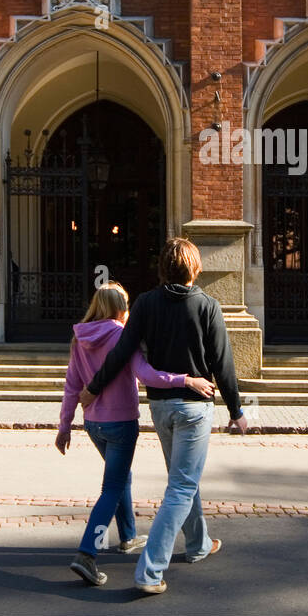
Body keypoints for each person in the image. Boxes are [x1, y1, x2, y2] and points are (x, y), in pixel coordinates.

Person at [81, 237, 246, 595]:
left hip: (160, 406)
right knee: (182, 485)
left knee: (183, 477)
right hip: (194, 407)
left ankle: (199, 543)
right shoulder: (208, 306)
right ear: (195, 267)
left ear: (162, 268)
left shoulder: (145, 303)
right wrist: (236, 411)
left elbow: (123, 350)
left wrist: (94, 387)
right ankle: (150, 571)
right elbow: (223, 363)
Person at [57, 282, 216, 586]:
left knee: (120, 478)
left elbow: (71, 384)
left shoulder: (80, 337)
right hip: (121, 423)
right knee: (113, 486)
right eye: (126, 304)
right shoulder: (120, 335)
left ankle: (128, 535)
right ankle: (87, 553)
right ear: (120, 308)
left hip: (93, 424)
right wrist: (187, 380)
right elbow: (145, 375)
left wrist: (65, 426)